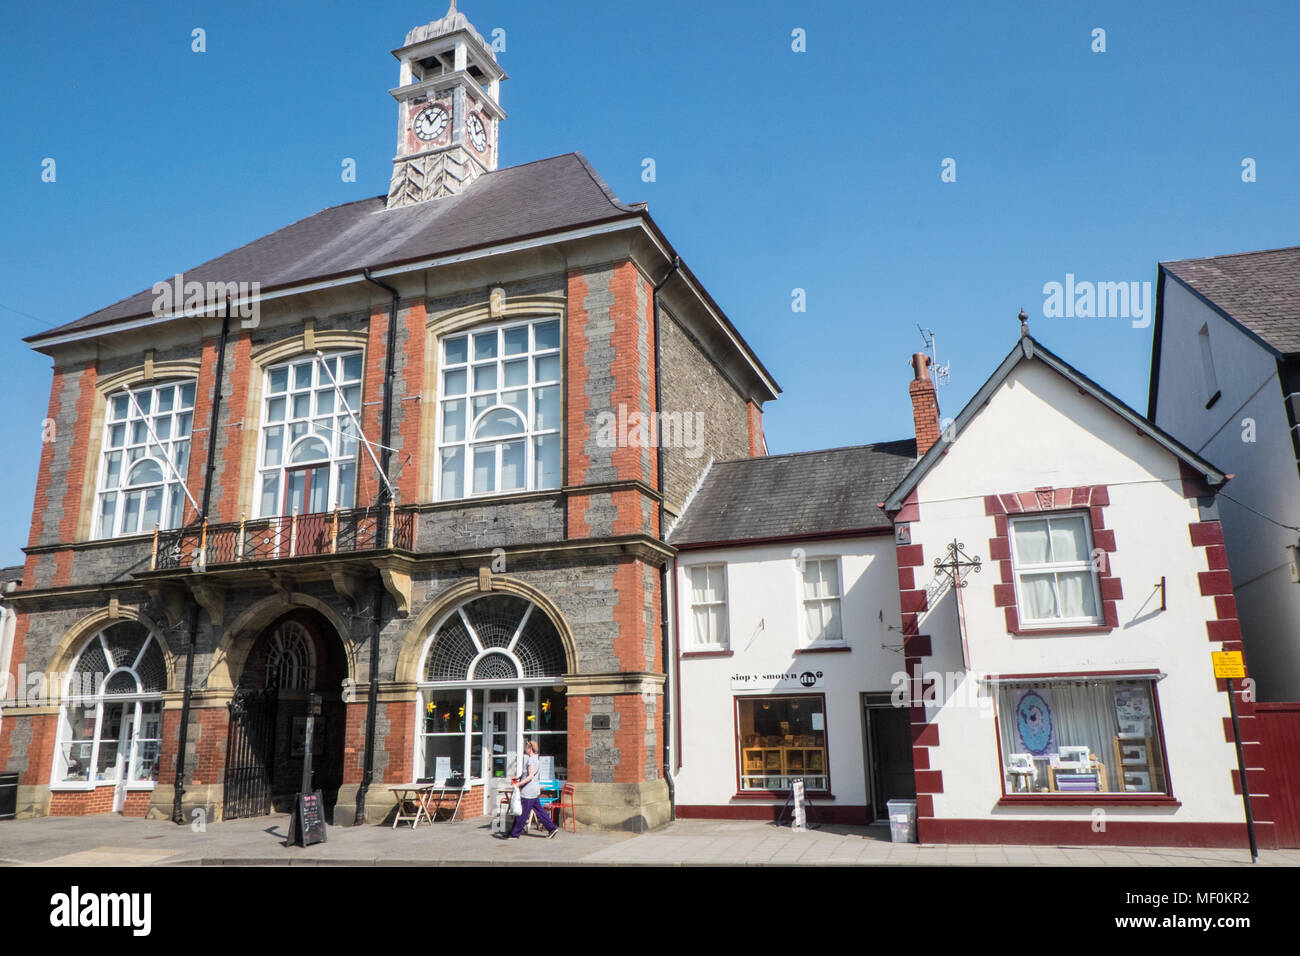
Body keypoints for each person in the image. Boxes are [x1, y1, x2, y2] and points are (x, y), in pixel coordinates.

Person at [507, 739, 558, 838]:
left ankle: (514, 833)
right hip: (534, 791)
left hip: (528, 792)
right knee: (540, 812)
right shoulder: (536, 759)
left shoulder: (530, 760)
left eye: (526, 747)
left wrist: (519, 784)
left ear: (530, 749)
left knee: (522, 813)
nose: (525, 749)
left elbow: (530, 776)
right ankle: (552, 828)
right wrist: (518, 777)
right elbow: (530, 774)